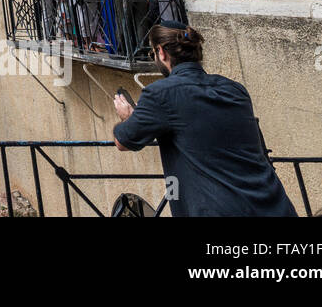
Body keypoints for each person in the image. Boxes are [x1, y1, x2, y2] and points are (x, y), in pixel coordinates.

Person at [112, 21, 296, 217]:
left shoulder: (160, 94)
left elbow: (123, 141)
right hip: (274, 206)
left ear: (161, 52)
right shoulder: (234, 88)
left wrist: (128, 117)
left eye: (153, 54)